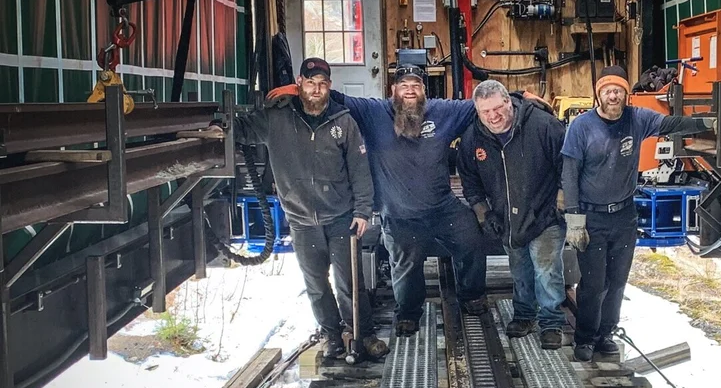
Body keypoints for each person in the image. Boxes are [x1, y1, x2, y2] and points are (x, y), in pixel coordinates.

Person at [230, 58, 388, 360]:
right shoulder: (276, 120)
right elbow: (242, 129)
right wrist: (217, 125)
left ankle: (363, 335)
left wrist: (362, 211)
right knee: (315, 284)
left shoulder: (344, 122)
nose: (317, 90)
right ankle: (331, 336)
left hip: (342, 218)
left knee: (349, 283)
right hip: (302, 220)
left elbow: (360, 169)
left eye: (323, 84)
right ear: (299, 83)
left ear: (329, 87)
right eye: (311, 83)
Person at [561, 65, 716, 362]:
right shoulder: (581, 126)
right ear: (599, 95)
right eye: (607, 90)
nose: (613, 95)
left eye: (618, 90)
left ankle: (606, 333)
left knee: (617, 280)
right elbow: (569, 174)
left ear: (625, 94)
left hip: (624, 216)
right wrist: (574, 219)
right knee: (594, 283)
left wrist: (704, 123)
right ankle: (585, 338)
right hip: (591, 217)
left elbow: (669, 124)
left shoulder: (638, 119)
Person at [329, 65, 490, 335]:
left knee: (471, 238)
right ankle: (408, 312)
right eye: (404, 85)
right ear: (393, 90)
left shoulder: (442, 111)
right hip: (399, 213)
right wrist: (296, 90)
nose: (410, 90)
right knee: (406, 264)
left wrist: (522, 96)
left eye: (416, 85)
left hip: (443, 207)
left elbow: (485, 102)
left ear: (424, 90)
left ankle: (471, 295)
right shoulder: (374, 113)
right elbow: (335, 99)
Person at [457, 80, 567, 349]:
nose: (493, 116)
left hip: (544, 214)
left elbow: (568, 165)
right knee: (520, 269)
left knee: (546, 271)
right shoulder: (473, 138)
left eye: (498, 108)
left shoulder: (544, 126)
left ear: (509, 102)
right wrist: (484, 213)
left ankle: (551, 322)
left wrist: (561, 202)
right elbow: (469, 180)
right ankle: (525, 315)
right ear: (477, 111)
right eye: (485, 111)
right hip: (506, 217)